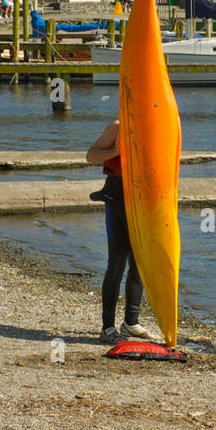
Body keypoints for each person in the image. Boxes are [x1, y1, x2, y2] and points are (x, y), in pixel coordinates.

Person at [85, 119, 148, 343]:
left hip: (143, 199)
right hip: (116, 196)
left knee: (140, 263)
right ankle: (107, 327)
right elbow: (90, 155)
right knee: (117, 262)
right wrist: (114, 150)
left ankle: (131, 322)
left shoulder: (158, 125)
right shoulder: (118, 126)